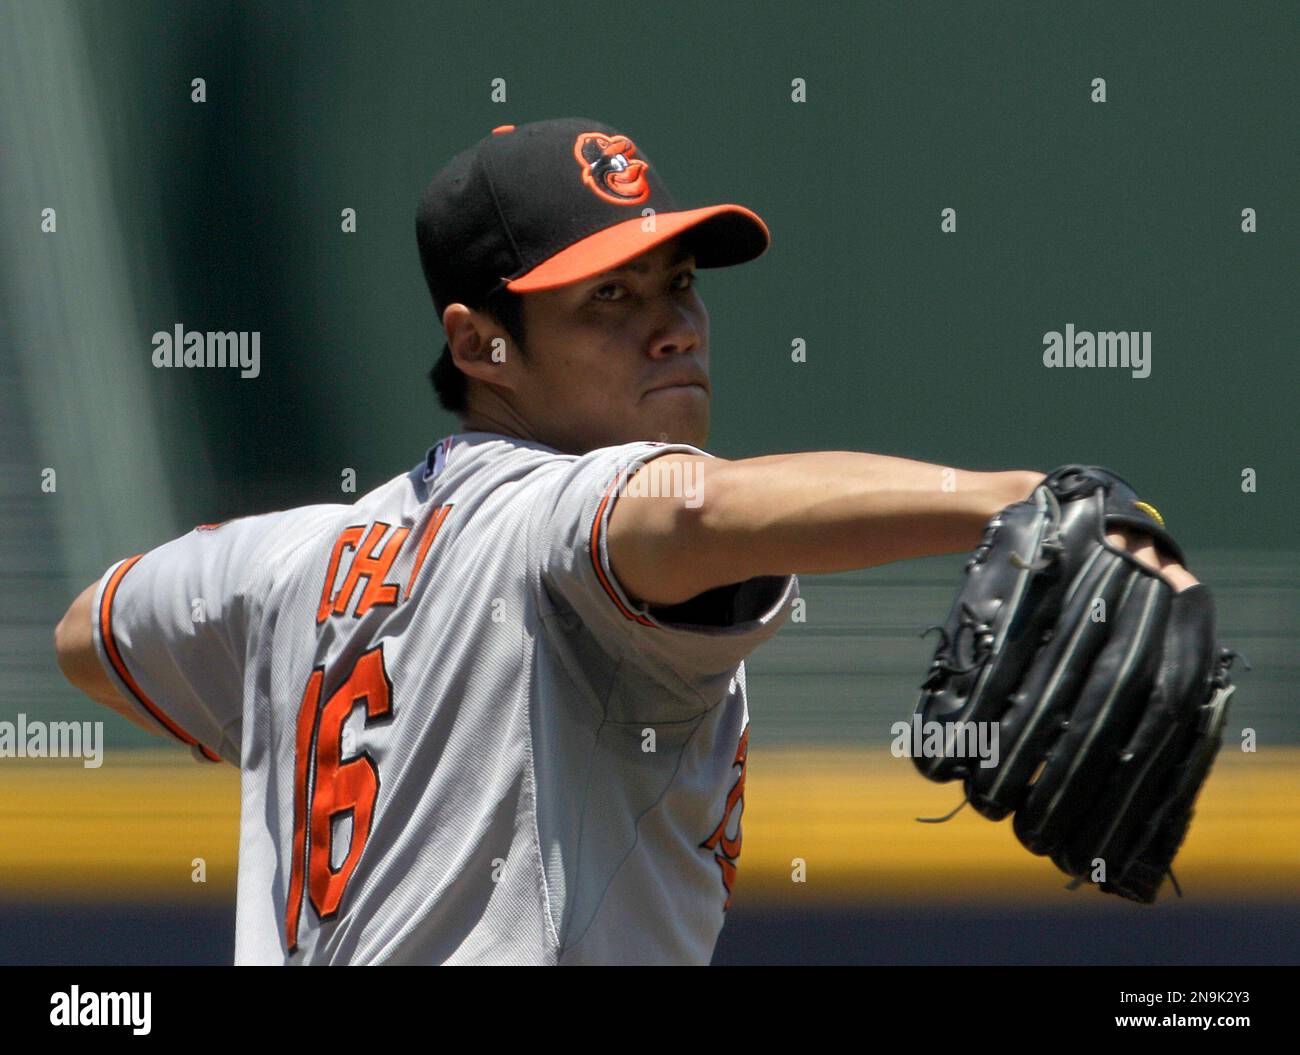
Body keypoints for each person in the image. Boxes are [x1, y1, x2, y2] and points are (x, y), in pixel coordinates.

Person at [52, 117, 1197, 964]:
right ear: (480, 342)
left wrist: (286, 695)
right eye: (608, 297)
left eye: (679, 281)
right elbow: (694, 509)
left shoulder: (291, 560)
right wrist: (1025, 497)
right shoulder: (561, 511)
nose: (673, 327)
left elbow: (89, 633)